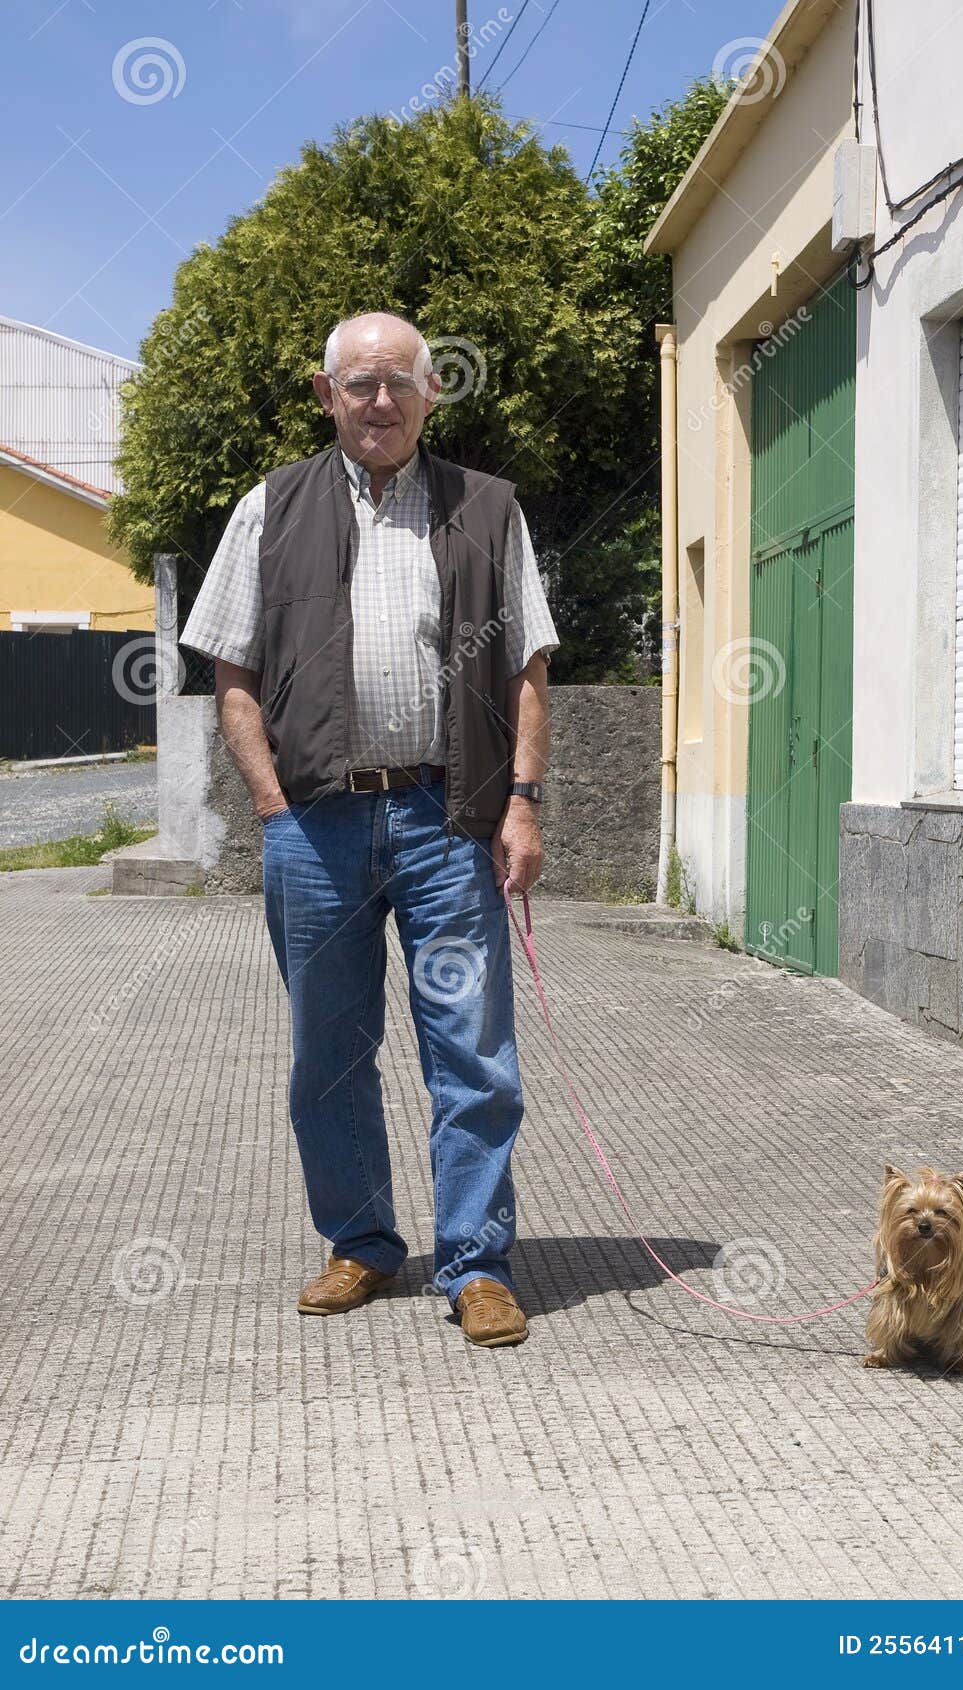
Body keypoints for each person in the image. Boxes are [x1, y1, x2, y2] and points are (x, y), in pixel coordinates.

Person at [179, 311, 559, 1346]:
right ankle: (361, 1243)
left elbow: (526, 666)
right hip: (317, 828)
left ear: (432, 392)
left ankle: (476, 1263)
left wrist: (523, 802)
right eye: (360, 383)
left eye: (400, 382)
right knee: (329, 1055)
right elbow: (232, 673)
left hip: (450, 821)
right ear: (326, 394)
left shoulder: (487, 508)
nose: (380, 401)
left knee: (472, 1051)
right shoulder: (269, 507)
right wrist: (272, 808)